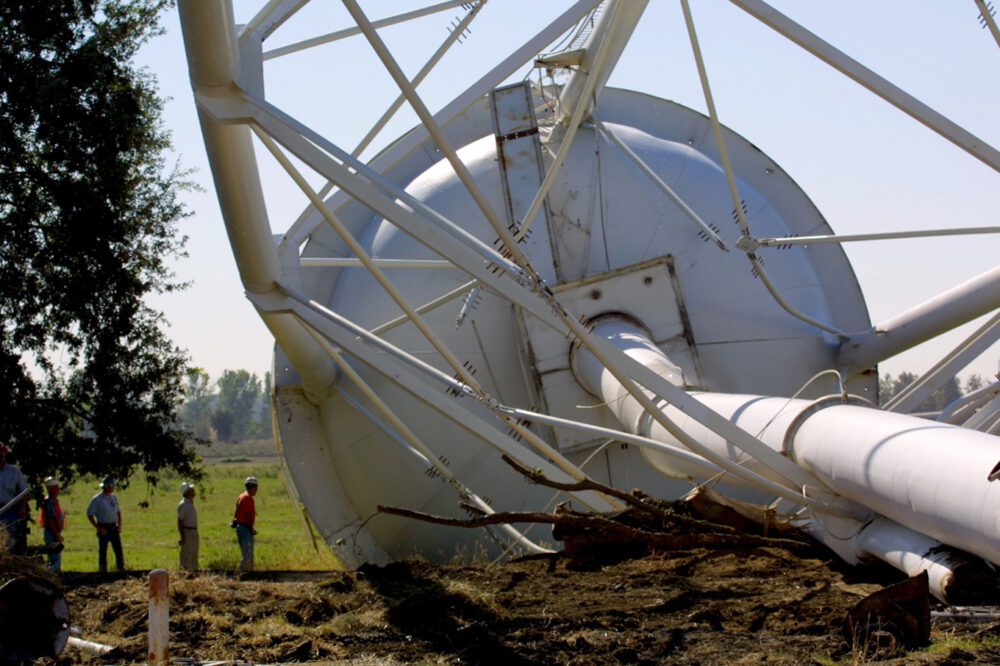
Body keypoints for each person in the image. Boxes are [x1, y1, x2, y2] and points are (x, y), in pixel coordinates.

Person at [87, 477, 124, 573]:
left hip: (113, 526)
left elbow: (118, 512)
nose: (113, 488)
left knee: (118, 549)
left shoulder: (113, 497)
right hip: (103, 526)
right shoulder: (97, 499)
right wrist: (98, 527)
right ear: (107, 487)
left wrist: (119, 525)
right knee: (103, 550)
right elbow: (90, 514)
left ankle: (120, 568)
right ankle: (103, 570)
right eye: (112, 486)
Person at [0, 442, 28, 554]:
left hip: (9, 509)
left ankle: (7, 556)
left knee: (9, 537)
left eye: (1, 453)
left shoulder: (14, 471)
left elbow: (24, 492)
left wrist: (22, 508)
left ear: (5, 453)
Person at [39, 477, 66, 571]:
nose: (58, 489)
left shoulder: (52, 500)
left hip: (53, 531)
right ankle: (53, 575)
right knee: (54, 557)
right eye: (56, 487)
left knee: (54, 556)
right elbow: (51, 520)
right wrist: (56, 534)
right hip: (52, 532)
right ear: (50, 489)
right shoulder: (49, 502)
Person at [233, 476, 258, 572]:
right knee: (248, 554)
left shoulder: (241, 496)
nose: (256, 490)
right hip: (245, 528)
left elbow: (237, 512)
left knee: (246, 553)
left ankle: (243, 572)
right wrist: (251, 528)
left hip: (241, 527)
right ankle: (244, 573)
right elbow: (248, 516)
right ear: (252, 487)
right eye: (256, 487)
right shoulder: (248, 498)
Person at [177, 482, 199, 572]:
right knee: (187, 553)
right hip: (187, 531)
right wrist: (182, 537)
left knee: (194, 552)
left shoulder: (190, 503)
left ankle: (194, 571)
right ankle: (184, 572)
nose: (194, 491)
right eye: (191, 490)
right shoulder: (183, 504)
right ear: (187, 492)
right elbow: (180, 521)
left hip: (194, 530)